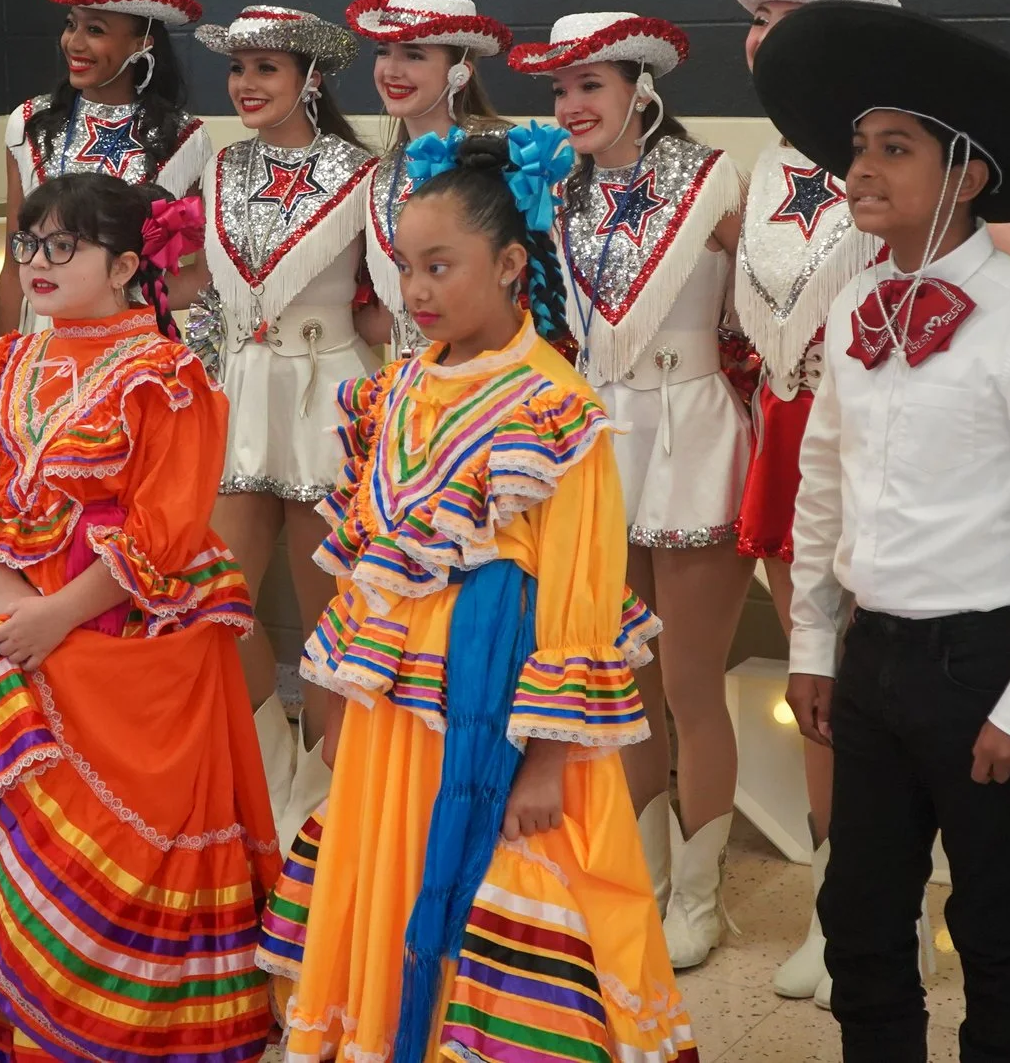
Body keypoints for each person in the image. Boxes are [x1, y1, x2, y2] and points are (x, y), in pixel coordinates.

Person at [261, 126, 699, 1063]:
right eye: (404, 269)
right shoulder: (396, 388)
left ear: (508, 264)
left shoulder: (556, 404)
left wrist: (543, 759)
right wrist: (343, 695)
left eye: (438, 267)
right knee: (391, 869)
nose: (414, 292)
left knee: (512, 894)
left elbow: (582, 595)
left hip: (501, 711)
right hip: (396, 709)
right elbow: (371, 560)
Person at [757, 0, 1010, 1063]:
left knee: (998, 925)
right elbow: (822, 485)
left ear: (964, 174)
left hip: (987, 660)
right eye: (856, 148)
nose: (857, 169)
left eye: (892, 148)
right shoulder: (855, 303)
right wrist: (817, 642)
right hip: (873, 655)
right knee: (863, 917)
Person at [719, 0, 1010, 1001]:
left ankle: (915, 918)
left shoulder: (911, 159)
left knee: (913, 713)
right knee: (821, 678)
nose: (760, 33)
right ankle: (851, 905)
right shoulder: (769, 168)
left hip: (901, 450)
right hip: (800, 434)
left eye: (783, 17)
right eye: (756, 19)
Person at [0, 173, 278, 1060]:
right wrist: (13, 608)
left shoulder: (168, 374)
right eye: (29, 241)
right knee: (25, 839)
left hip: (129, 637)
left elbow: (167, 524)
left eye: (62, 245)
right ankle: (36, 1034)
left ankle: (131, 1037)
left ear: (124, 264)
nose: (36, 260)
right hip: (16, 628)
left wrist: (58, 614)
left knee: (133, 849)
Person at [507, 10, 749, 966]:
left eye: (591, 87)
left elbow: (764, 296)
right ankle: (641, 879)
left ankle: (701, 893)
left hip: (695, 431)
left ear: (641, 90)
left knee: (691, 680)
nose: (571, 106)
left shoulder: (713, 177)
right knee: (627, 682)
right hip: (607, 439)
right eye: (561, 90)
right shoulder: (558, 195)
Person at [193, 4, 376, 838]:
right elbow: (202, 287)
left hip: (326, 391)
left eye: (266, 68)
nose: (247, 84)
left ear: (310, 76)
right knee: (212, 597)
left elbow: (385, 298)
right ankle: (274, 762)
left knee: (328, 613)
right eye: (239, 68)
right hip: (244, 387)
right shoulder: (221, 164)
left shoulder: (359, 170)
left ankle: (327, 786)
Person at [0, 0, 211, 337]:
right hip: (44, 337)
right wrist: (0, 364)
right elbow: (14, 266)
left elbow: (201, 277)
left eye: (95, 30)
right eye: (71, 24)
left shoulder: (184, 139)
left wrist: (119, 289)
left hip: (132, 341)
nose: (74, 42)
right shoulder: (30, 123)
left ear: (141, 44)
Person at [347, 0, 514, 360]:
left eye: (414, 55)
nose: (391, 69)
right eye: (383, 52)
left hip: (495, 378)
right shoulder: (380, 174)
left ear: (459, 72)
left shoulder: (505, 152)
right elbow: (384, 312)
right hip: (413, 384)